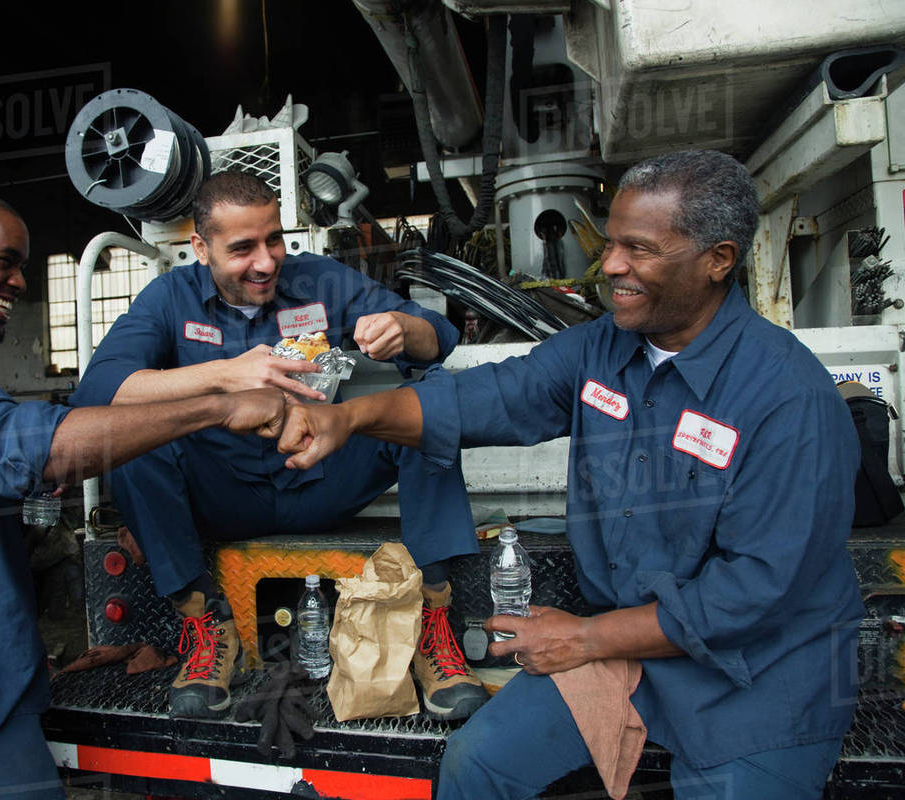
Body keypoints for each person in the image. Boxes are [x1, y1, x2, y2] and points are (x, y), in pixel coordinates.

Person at [277, 150, 864, 799]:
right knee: (476, 764)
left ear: (718, 259)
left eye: (638, 250)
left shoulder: (788, 399)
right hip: (631, 651)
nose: (611, 266)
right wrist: (350, 418)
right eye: (611, 243)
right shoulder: (600, 349)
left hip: (757, 681)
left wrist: (584, 636)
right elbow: (482, 399)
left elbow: (751, 595)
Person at [0, 189, 285, 800]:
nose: (19, 281)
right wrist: (217, 405)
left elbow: (6, 455)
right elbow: (36, 450)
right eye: (6, 262)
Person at [70, 170, 486, 721]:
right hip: (224, 498)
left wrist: (404, 331)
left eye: (274, 240)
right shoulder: (169, 298)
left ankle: (433, 627)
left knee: (427, 404)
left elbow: (438, 337)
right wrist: (223, 376)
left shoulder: (320, 281)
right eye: (242, 248)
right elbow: (97, 391)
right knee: (133, 436)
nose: (266, 262)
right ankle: (205, 631)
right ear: (200, 247)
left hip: (322, 479)